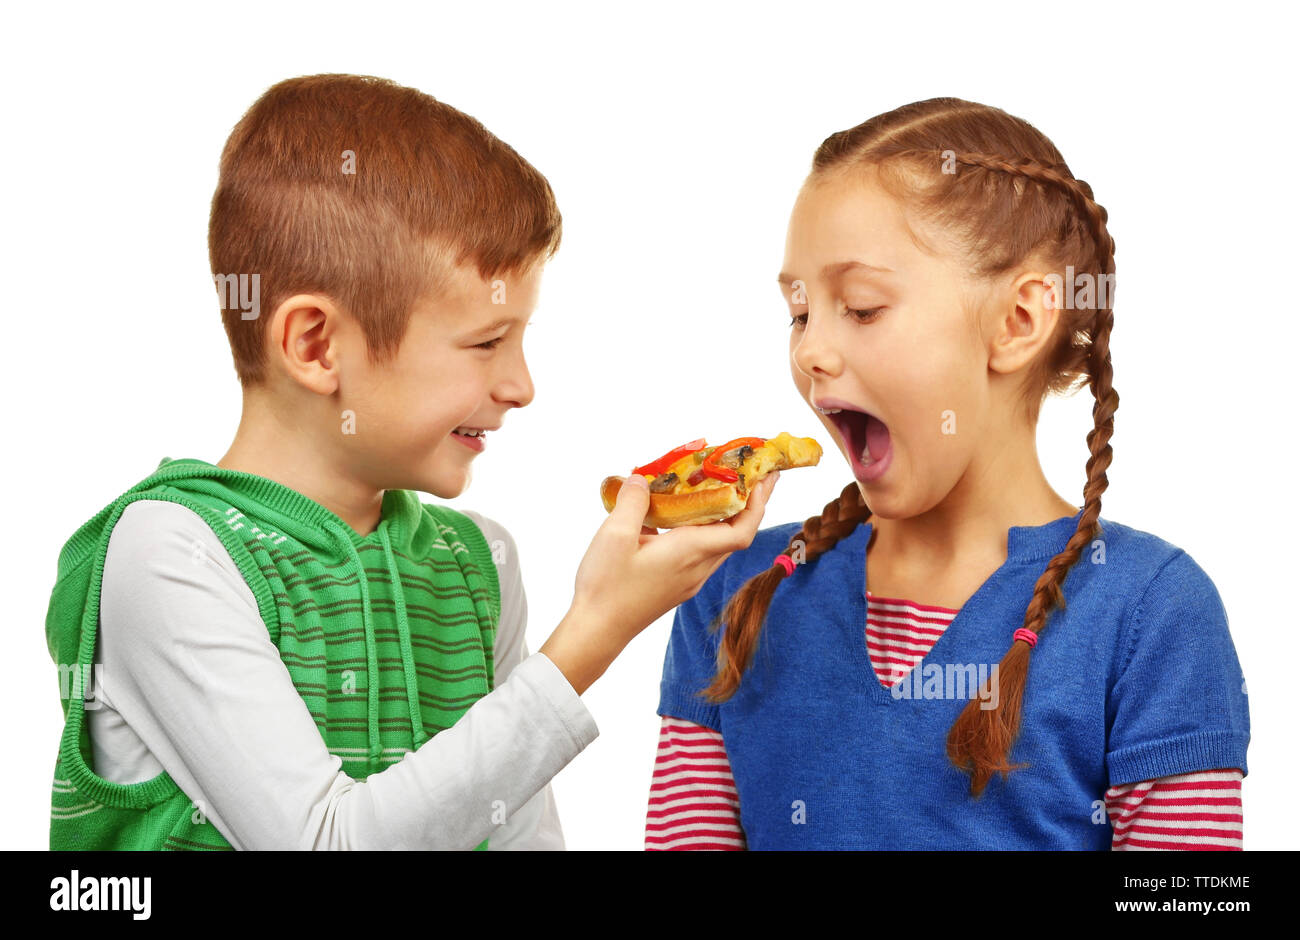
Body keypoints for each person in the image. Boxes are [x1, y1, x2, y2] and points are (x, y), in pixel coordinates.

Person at [44, 73, 776, 850]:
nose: (521, 386)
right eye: (487, 343)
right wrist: (592, 633)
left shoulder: (478, 563)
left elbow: (519, 834)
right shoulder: (170, 554)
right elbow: (326, 843)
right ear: (315, 345)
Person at [645, 97, 1248, 850]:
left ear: (1019, 321)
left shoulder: (1150, 612)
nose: (809, 353)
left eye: (861, 308)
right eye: (799, 314)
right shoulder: (733, 591)